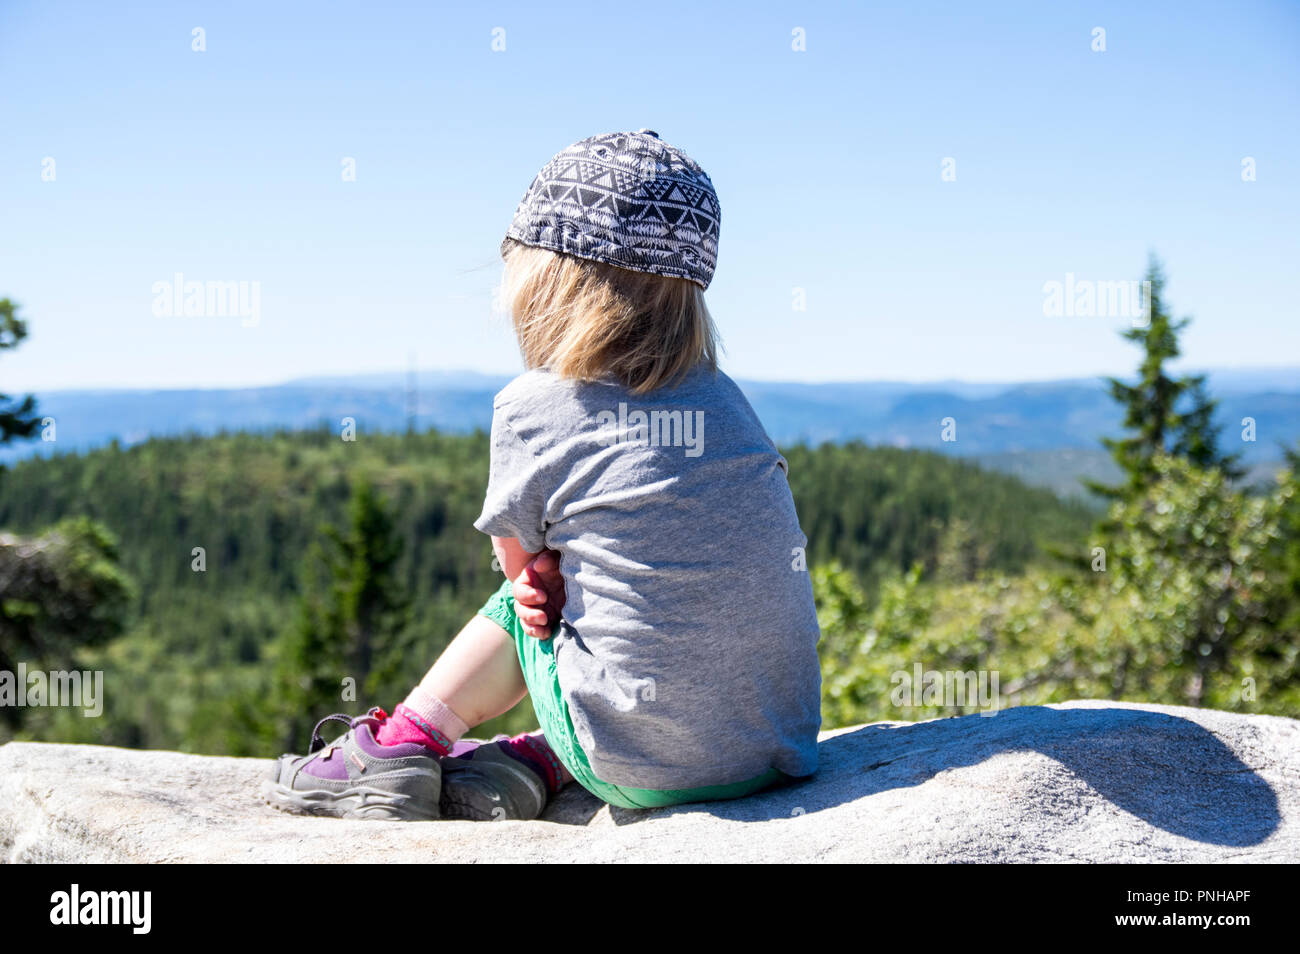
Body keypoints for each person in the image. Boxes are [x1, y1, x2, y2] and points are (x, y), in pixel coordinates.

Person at [263, 129, 822, 820]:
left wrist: (545, 581)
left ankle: (398, 751)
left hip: (638, 768)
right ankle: (539, 759)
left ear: (548, 277)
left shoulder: (532, 407)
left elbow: (527, 583)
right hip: (776, 751)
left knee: (520, 600)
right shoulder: (724, 397)